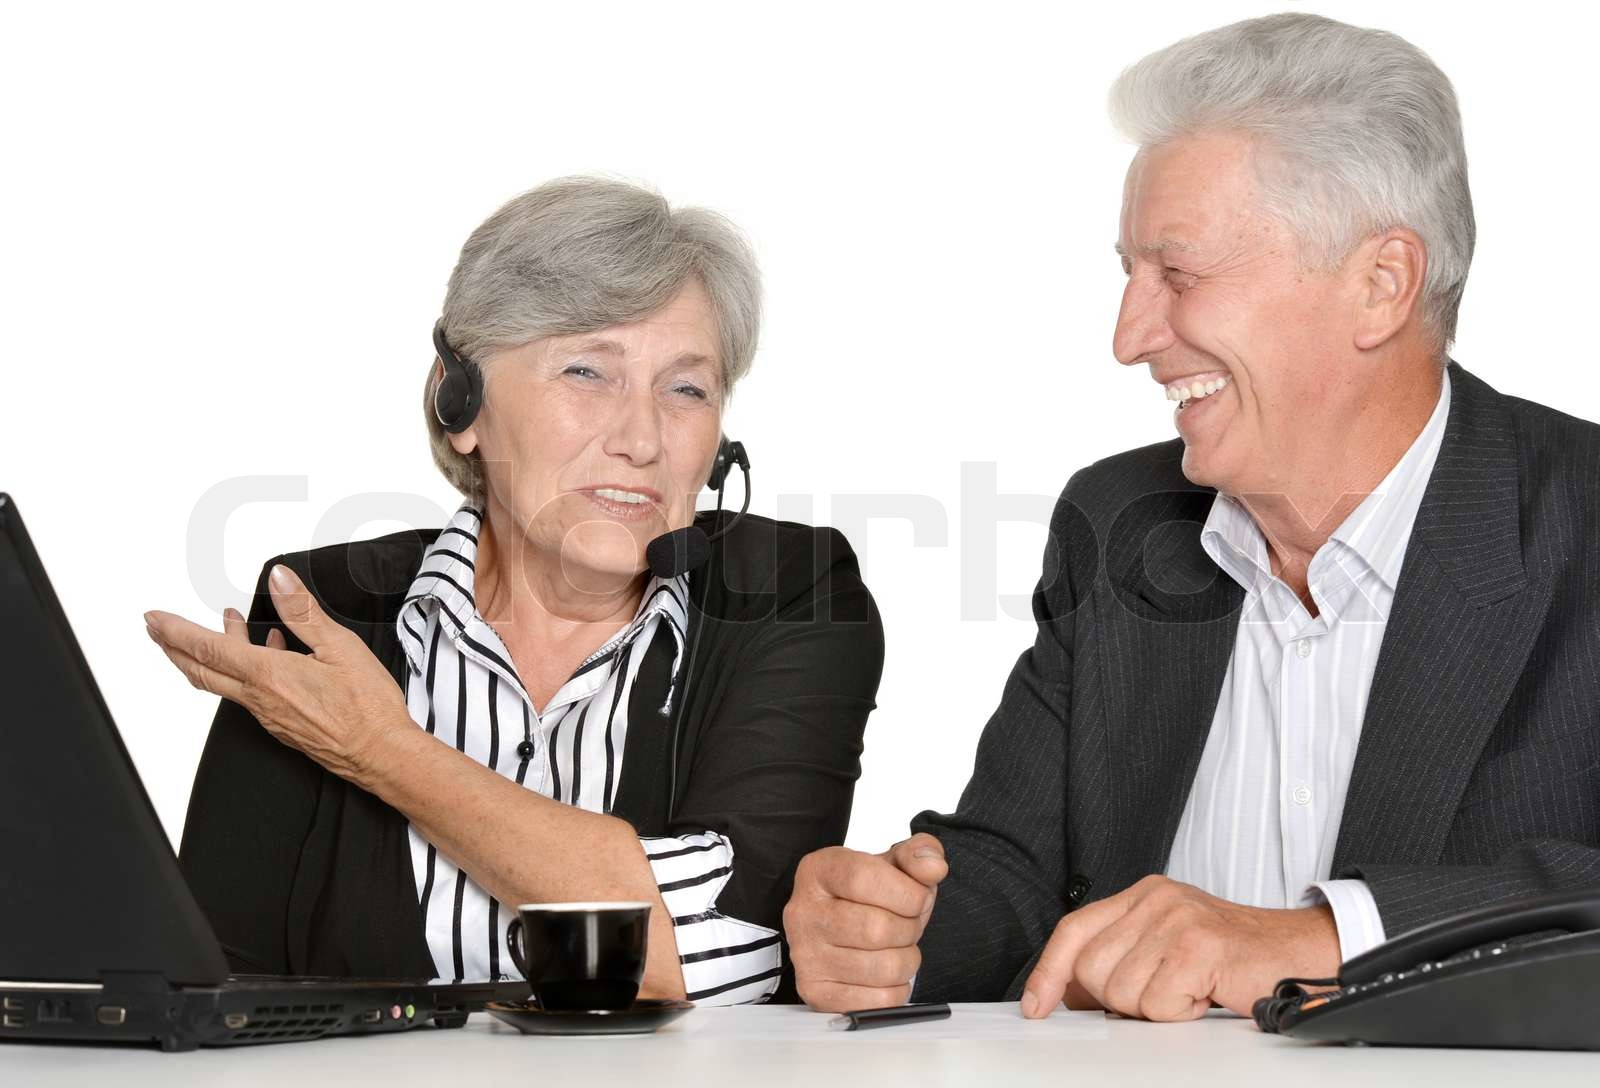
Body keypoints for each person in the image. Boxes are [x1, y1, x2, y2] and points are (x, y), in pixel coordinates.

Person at [783, 13, 1600, 1021]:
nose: (1129, 336)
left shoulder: (1582, 522)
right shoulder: (1120, 519)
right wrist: (893, 932)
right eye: (1128, 274)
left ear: (1380, 285)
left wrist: (1319, 938)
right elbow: (1018, 871)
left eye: (1178, 274)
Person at [145, 177, 883, 1006]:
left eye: (687, 389)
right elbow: (213, 981)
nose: (642, 440)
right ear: (459, 402)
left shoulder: (792, 595)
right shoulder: (326, 606)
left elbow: (718, 955)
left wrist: (382, 750)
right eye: (586, 371)